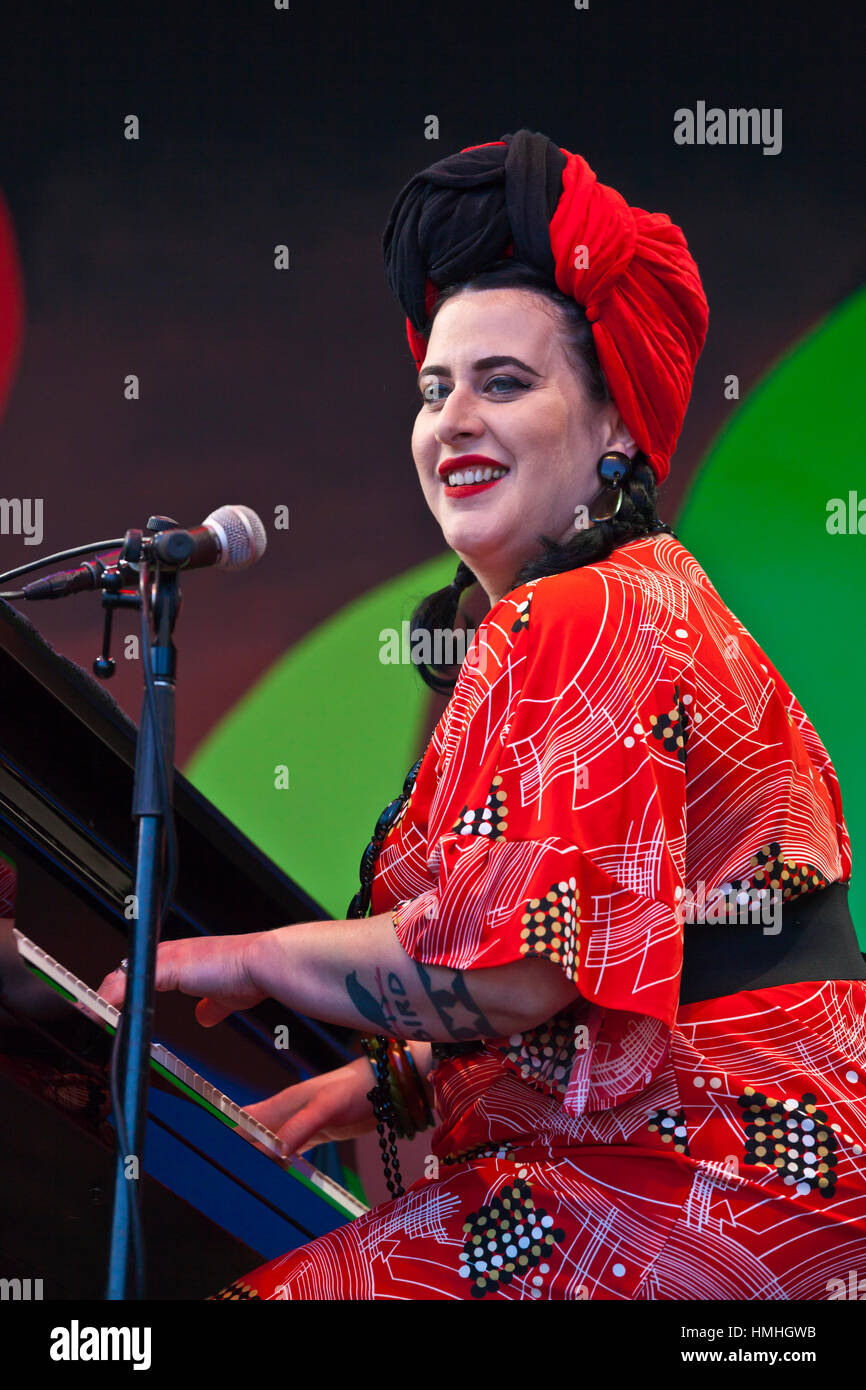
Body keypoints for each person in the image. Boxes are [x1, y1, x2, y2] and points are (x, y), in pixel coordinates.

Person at [100, 129, 866, 1301]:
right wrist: (388, 1084)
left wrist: (239, 952)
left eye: (502, 383)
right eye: (432, 388)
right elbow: (639, 951)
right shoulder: (632, 599)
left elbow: (516, 975)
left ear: (615, 428)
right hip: (763, 1176)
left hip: (705, 1181)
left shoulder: (590, 612)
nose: (451, 417)